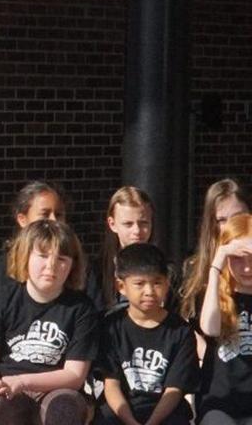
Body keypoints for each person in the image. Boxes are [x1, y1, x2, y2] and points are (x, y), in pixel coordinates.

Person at [0, 219, 98, 425]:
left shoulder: (81, 308)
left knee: (64, 408)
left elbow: (75, 375)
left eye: (61, 258)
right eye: (43, 256)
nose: (51, 266)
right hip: (7, 387)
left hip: (57, 390)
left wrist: (22, 381)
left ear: (73, 265)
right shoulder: (3, 299)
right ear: (25, 256)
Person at [96, 243, 198, 425]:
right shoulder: (111, 327)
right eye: (139, 284)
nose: (149, 291)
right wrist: (130, 421)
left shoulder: (181, 331)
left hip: (165, 411)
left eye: (157, 283)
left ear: (167, 283)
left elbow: (174, 389)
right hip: (121, 409)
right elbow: (111, 384)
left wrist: (152, 423)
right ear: (121, 286)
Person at [195, 212, 252, 425]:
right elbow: (210, 328)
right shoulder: (214, 294)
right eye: (237, 258)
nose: (247, 268)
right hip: (219, 402)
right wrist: (215, 269)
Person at [180, 179, 252, 325]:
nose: (231, 225)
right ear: (212, 224)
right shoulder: (196, 269)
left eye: (237, 216)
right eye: (222, 220)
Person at [90, 187, 172, 313]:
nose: (137, 231)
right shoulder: (97, 272)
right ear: (112, 224)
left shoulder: (168, 270)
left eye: (143, 223)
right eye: (128, 224)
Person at [0, 180, 68, 293]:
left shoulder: (75, 261)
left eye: (59, 215)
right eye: (45, 214)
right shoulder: (7, 265)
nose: (54, 220)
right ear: (22, 220)